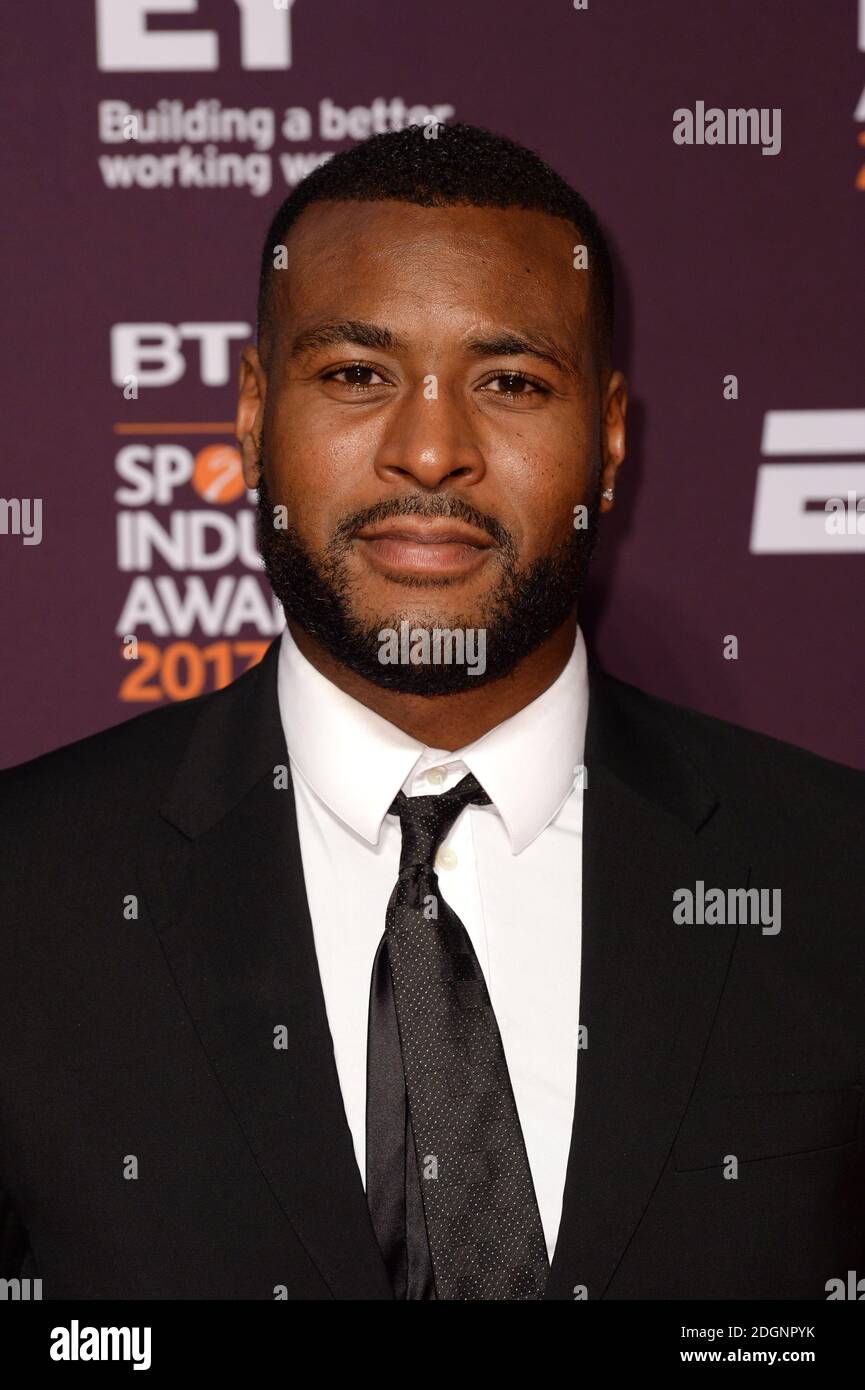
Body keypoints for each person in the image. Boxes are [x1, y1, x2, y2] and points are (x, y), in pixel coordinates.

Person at [0, 123, 862, 1302]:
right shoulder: (27, 894)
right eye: (356, 373)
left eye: (509, 381)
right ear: (252, 414)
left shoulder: (831, 876)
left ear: (609, 438)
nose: (429, 448)